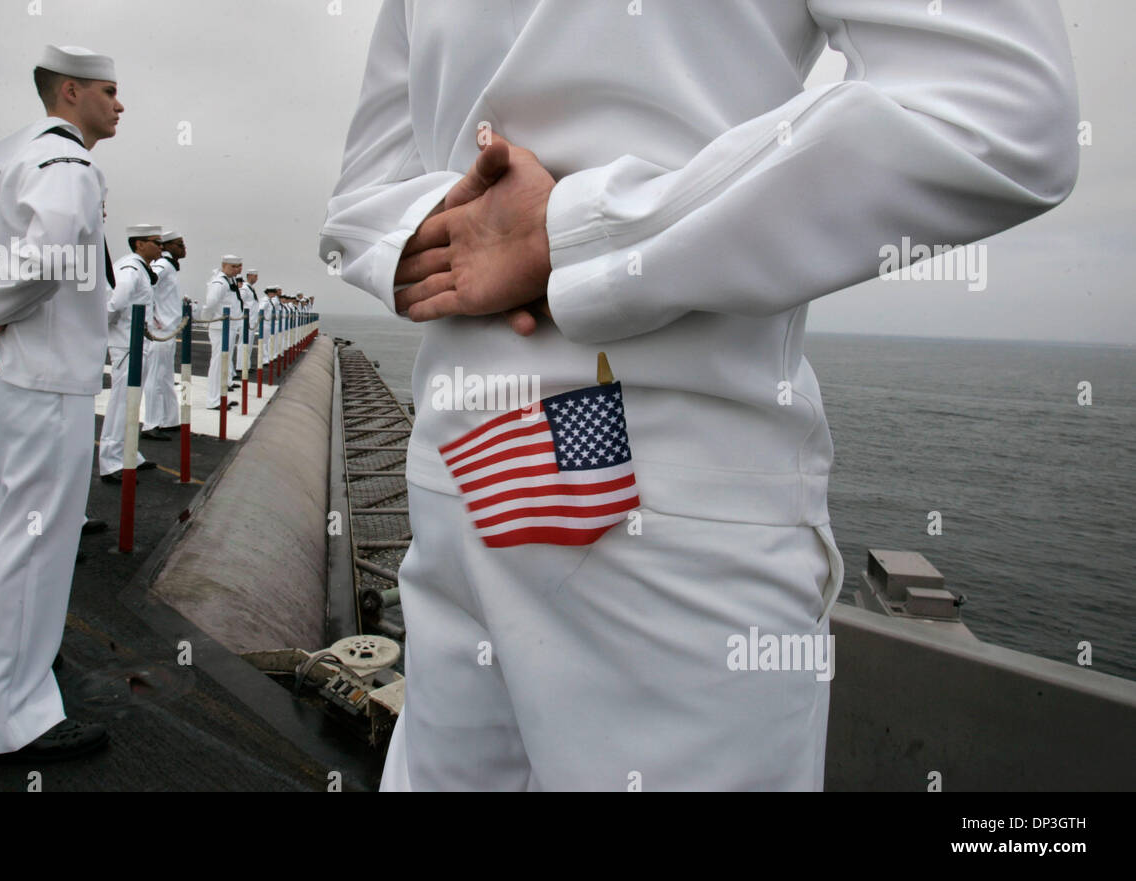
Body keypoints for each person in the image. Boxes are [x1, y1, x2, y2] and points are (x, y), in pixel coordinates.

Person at [320, 1, 1080, 790]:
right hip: (661, 519)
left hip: (464, 477)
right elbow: (999, 109)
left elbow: (365, 201)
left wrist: (532, 237)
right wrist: (572, 240)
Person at [0, 43, 131, 763]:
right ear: (70, 93)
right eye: (109, 91)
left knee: (1, 524)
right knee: (35, 539)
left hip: (18, 373)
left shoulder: (32, 161)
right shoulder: (70, 165)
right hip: (49, 374)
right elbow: (52, 256)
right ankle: (13, 717)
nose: (120, 104)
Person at [99, 224, 163, 476]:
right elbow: (114, 304)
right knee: (121, 403)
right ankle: (111, 460)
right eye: (155, 242)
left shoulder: (142, 269)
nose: (160, 246)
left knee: (133, 403)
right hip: (127, 345)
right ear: (139, 244)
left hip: (138, 343)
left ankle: (129, 453)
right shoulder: (130, 269)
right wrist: (111, 333)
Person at [142, 229, 186, 437]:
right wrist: (152, 317)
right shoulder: (162, 265)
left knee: (166, 376)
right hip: (161, 330)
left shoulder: (170, 266)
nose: (183, 248)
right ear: (166, 246)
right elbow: (146, 286)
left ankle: (169, 419)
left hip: (169, 329)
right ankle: (151, 423)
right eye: (178, 244)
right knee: (155, 377)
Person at [204, 256, 243, 409]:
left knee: (224, 363)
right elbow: (210, 304)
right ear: (224, 266)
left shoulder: (229, 281)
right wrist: (209, 320)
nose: (237, 269)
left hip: (229, 326)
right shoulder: (219, 282)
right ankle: (213, 400)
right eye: (233, 266)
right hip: (220, 327)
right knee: (218, 363)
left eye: (239, 266)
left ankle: (221, 396)